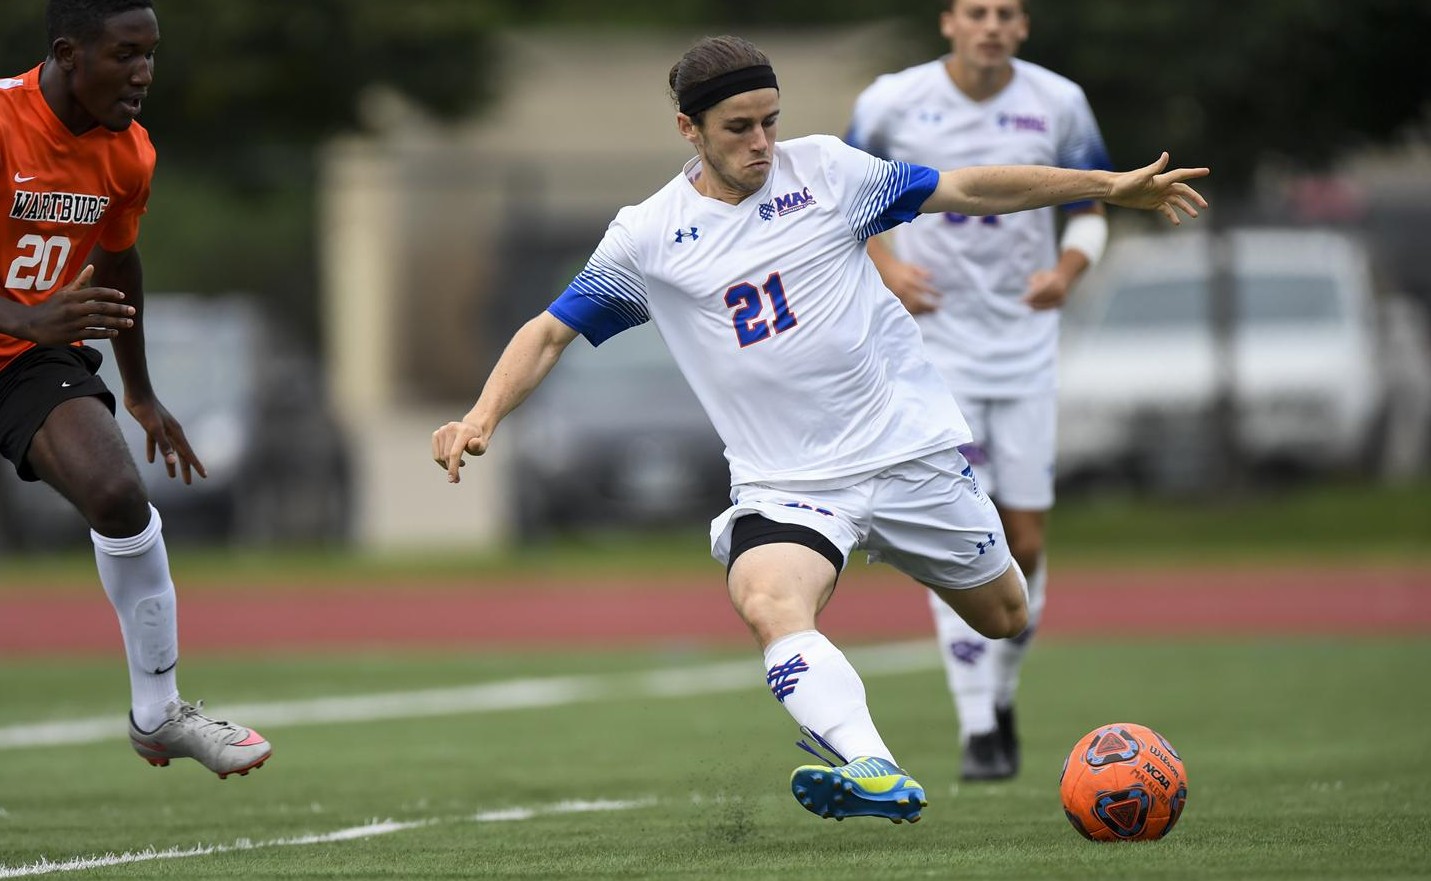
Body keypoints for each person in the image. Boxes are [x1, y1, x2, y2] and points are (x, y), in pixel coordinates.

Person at [432, 35, 1205, 823]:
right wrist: (480, 415)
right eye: (738, 127)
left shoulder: (831, 173)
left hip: (909, 453)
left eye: (770, 120)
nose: (761, 142)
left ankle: (936, 609)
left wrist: (1106, 185)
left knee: (1004, 615)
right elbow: (550, 330)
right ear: (687, 130)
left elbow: (967, 188)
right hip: (789, 483)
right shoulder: (648, 236)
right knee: (768, 600)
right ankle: (874, 765)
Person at [0, 0, 270, 778]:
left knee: (120, 493)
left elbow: (119, 263)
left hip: (24, 355)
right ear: (67, 53)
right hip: (28, 326)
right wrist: (28, 312)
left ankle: (158, 713)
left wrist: (140, 390)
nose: (144, 74)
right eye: (125, 54)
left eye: (151, 55)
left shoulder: (129, 152)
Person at [845, 0, 1111, 782]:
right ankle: (975, 728)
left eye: (1005, 13)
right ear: (948, 23)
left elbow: (1088, 213)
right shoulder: (891, 100)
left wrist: (1064, 273)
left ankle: (999, 693)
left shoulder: (1057, 101)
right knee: (964, 531)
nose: (991, 25)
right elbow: (844, 205)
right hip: (934, 355)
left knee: (1023, 543)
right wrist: (891, 272)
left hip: (1025, 351)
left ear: (1022, 27)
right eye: (976, 11)